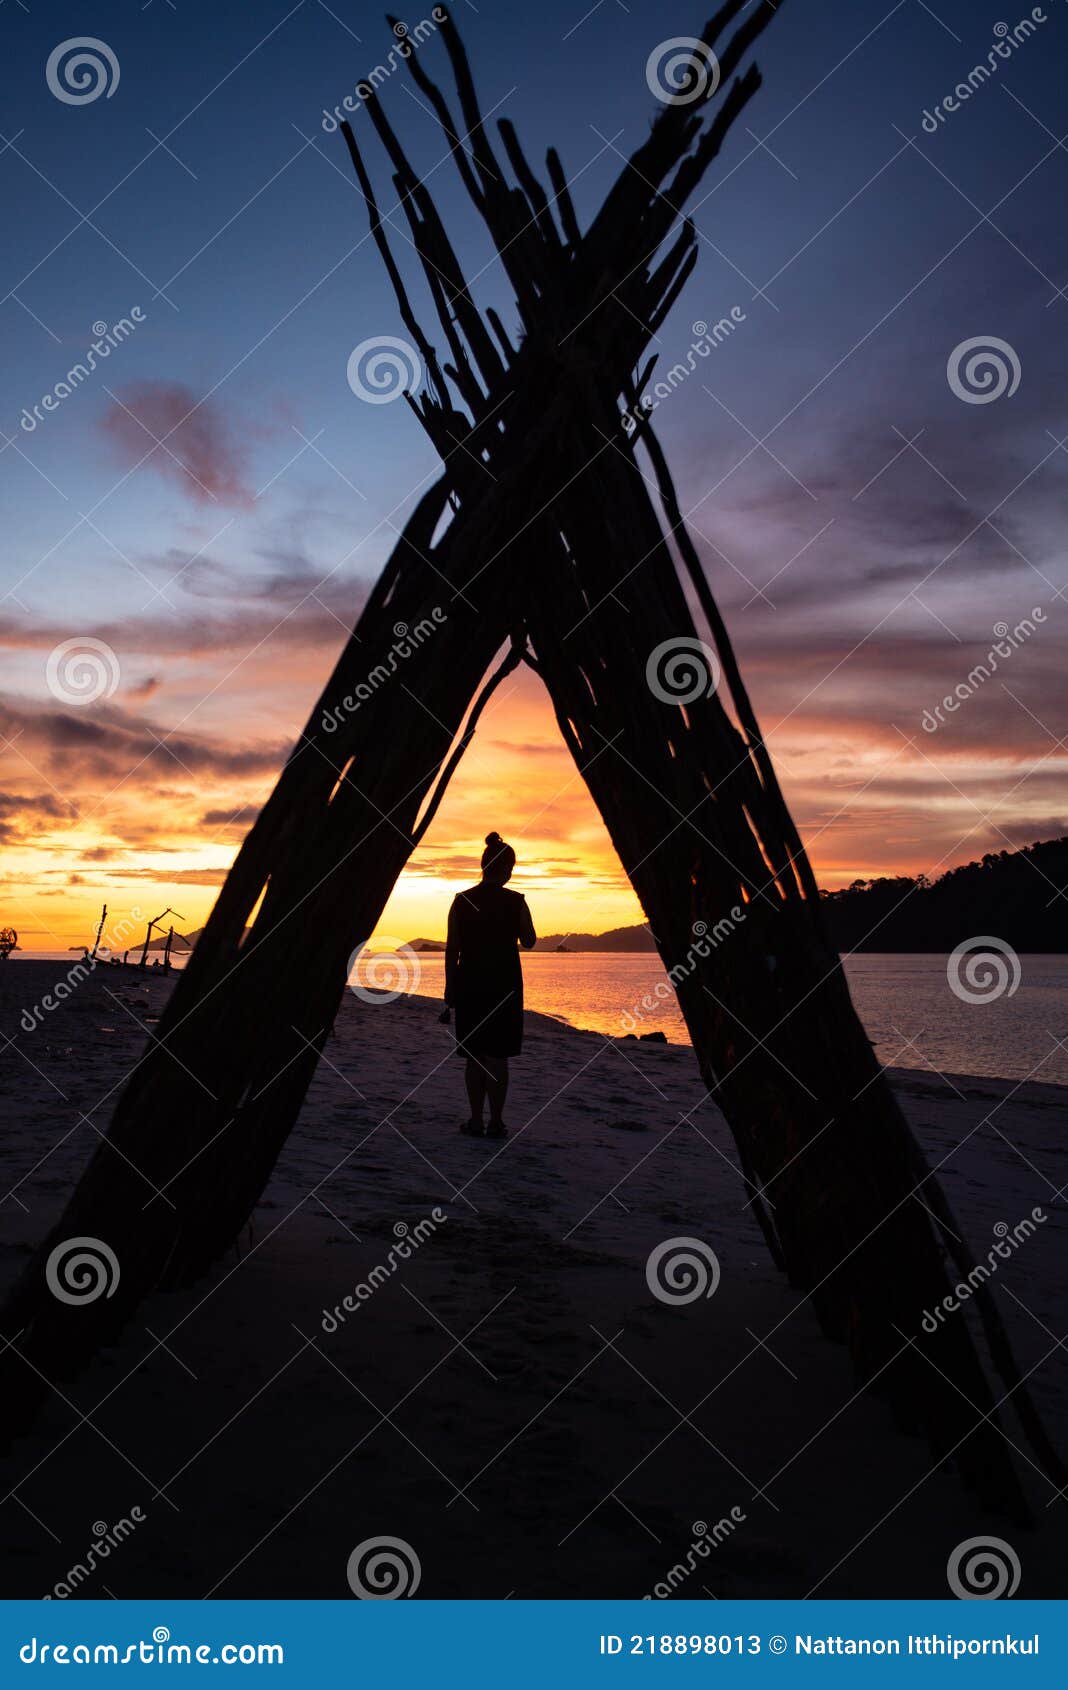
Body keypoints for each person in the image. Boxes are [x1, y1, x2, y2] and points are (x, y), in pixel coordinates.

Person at [444, 831, 536, 1138]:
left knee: (474, 1055)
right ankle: (496, 1122)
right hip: (504, 985)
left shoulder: (461, 901)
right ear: (508, 869)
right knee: (498, 1056)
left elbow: (452, 948)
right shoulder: (517, 901)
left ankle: (475, 1120)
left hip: (469, 982)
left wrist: (449, 987)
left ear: (484, 866)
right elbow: (530, 940)